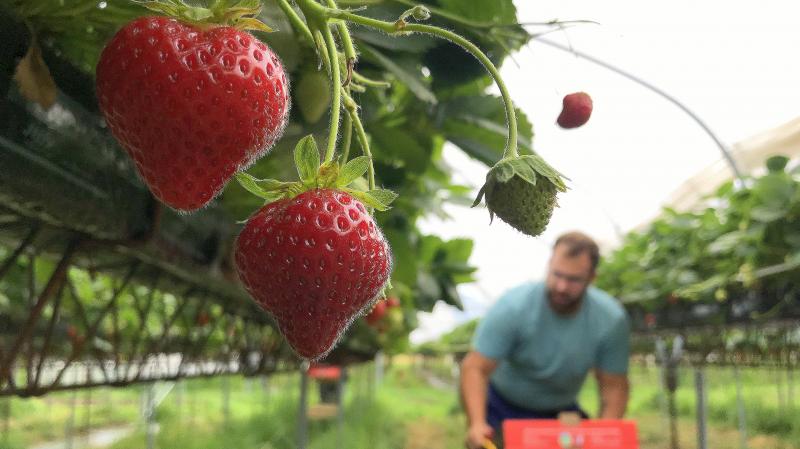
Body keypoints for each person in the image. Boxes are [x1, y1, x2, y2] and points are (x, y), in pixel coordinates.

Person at [460, 231, 630, 449]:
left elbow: (614, 386)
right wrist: (477, 423)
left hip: (561, 411)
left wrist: (606, 435)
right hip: (502, 407)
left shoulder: (610, 320)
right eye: (557, 274)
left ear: (592, 278)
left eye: (573, 279)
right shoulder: (513, 307)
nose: (562, 286)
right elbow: (475, 367)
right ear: (549, 265)